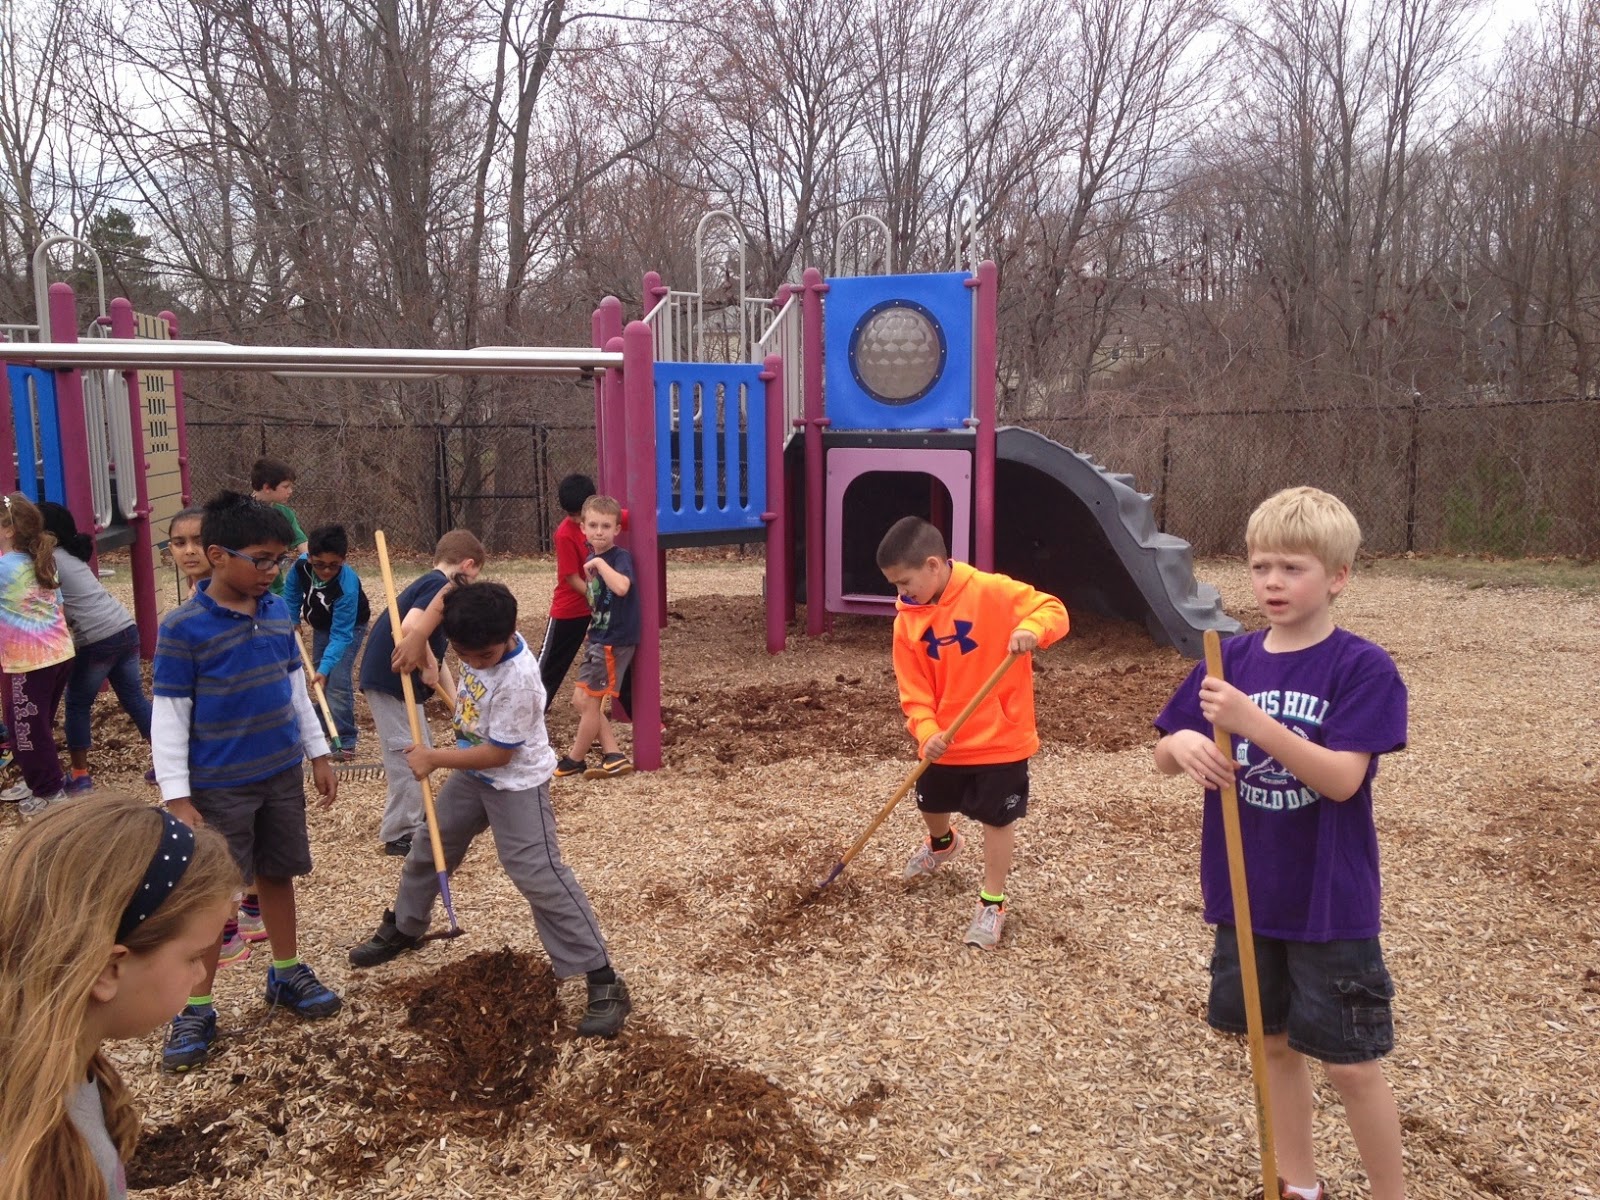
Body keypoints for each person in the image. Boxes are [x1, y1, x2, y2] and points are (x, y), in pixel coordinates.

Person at [1153, 487, 1409, 1200]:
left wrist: (1253, 725)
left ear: (1337, 578)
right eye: (1261, 565)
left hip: (1328, 900)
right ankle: (1298, 1185)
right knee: (1270, 1046)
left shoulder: (1361, 668)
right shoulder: (1227, 658)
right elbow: (1163, 755)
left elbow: (1339, 781)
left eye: (1292, 568)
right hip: (1246, 892)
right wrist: (1181, 745)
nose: (1271, 582)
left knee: (1352, 1064)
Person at [348, 582, 631, 1038]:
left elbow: (498, 756)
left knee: (537, 873)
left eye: (483, 656)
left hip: (513, 782)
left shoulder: (520, 680)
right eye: (465, 654)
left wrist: (434, 756)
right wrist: (421, 639)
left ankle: (602, 978)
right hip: (471, 775)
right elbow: (446, 593)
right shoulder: (470, 620)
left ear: (510, 633)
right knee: (431, 844)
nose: (475, 662)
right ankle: (406, 925)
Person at [152, 491, 341, 1073]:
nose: (272, 571)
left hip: (279, 773)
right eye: (260, 559)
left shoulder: (278, 612)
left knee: (277, 874)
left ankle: (285, 974)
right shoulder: (184, 630)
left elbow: (293, 690)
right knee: (214, 893)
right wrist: (178, 798)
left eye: (279, 560)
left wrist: (318, 754)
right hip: (219, 786)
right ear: (216, 555)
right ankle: (197, 1007)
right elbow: (170, 716)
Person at [0, 794, 239, 1200]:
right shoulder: (46, 1169)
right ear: (108, 970)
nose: (202, 974)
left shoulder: (58, 1068)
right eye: (195, 956)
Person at [875, 516, 1069, 949]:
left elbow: (1053, 609)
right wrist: (926, 732)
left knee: (997, 818)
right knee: (930, 800)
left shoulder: (991, 591)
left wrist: (1031, 629)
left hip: (1001, 736)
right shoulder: (907, 622)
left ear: (933, 565)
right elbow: (914, 689)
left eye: (905, 582)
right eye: (895, 585)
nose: (901, 593)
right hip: (946, 739)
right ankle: (942, 843)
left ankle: (992, 902)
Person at [166, 505, 266, 967]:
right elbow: (173, 704)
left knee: (256, 838)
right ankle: (227, 924)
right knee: (222, 843)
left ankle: (250, 906)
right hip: (213, 757)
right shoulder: (185, 615)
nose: (187, 551)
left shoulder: (255, 595)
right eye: (176, 543)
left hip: (257, 749)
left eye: (195, 542)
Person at [358, 528, 483, 857]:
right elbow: (412, 628)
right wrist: (427, 664)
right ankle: (400, 831)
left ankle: (420, 812)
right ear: (467, 566)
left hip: (398, 680)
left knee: (422, 747)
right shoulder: (438, 585)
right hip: (390, 676)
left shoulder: (433, 587)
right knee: (407, 754)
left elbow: (435, 657)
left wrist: (455, 700)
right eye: (476, 575)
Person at [38, 503, 154, 792]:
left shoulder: (48, 560)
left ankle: (80, 777)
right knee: (134, 699)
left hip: (97, 639)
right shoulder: (70, 555)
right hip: (124, 628)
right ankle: (170, 762)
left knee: (77, 704)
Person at [0, 493, 76, 817]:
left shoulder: (4, 568)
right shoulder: (42, 559)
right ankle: (39, 782)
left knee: (25, 731)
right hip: (59, 653)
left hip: (28, 663)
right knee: (36, 725)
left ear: (8, 530)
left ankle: (50, 796)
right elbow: (58, 605)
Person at [554, 495, 636, 780]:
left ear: (616, 529)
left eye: (606, 525)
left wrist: (600, 566)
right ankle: (613, 754)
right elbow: (597, 599)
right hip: (599, 636)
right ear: (584, 529)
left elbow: (623, 587)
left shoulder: (618, 558)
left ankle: (576, 758)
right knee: (580, 700)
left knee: (589, 701)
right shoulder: (591, 558)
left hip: (615, 640)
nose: (599, 531)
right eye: (593, 525)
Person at [283, 524, 371, 762]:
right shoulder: (301, 566)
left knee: (337, 681)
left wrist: (323, 669)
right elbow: (290, 592)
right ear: (310, 556)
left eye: (334, 565)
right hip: (322, 625)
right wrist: (292, 620)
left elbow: (342, 635)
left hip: (349, 627)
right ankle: (320, 728)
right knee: (323, 683)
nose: (326, 571)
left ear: (343, 559)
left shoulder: (346, 586)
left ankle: (345, 740)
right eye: (319, 564)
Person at [540, 473, 598, 711]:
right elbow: (571, 577)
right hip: (570, 608)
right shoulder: (565, 534)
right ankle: (532, 709)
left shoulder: (602, 522)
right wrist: (597, 599)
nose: (576, 520)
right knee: (550, 664)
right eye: (571, 514)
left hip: (594, 605)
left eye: (579, 514)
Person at [251, 457, 308, 597]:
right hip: (248, 587)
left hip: (276, 590)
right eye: (286, 486)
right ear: (267, 487)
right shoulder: (238, 513)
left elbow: (302, 544)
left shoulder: (285, 513)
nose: (290, 491)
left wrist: (314, 563)